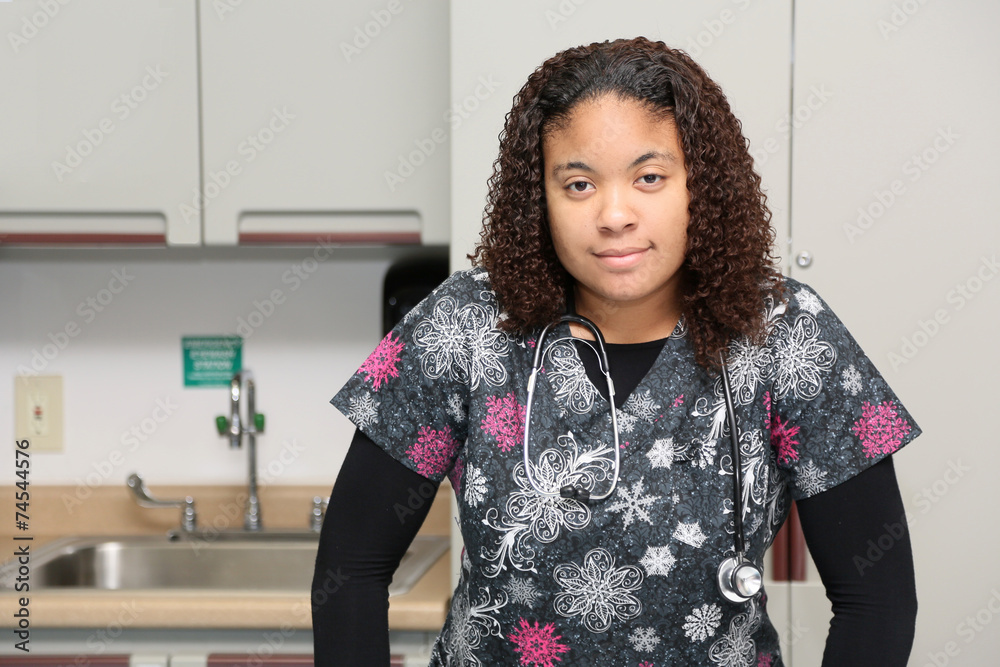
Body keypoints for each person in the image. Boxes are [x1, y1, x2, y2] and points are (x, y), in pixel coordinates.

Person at [312, 37, 920, 666]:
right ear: (540, 199)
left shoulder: (787, 334)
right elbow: (350, 571)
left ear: (701, 184)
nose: (614, 214)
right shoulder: (464, 326)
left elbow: (876, 601)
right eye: (578, 184)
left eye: (649, 178)